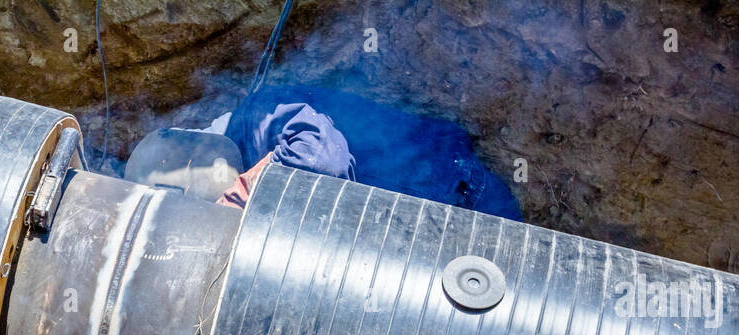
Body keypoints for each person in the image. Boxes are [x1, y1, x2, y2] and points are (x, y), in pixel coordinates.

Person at [125, 85, 522, 220]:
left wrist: (238, 199)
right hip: (440, 228)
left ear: (192, 159)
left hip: (469, 197)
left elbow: (323, 160)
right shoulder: (252, 140)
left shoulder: (259, 117)